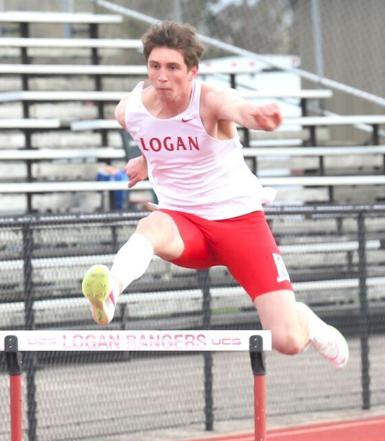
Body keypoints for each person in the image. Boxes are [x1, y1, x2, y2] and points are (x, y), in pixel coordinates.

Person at [79, 21, 349, 367]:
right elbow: (159, 137)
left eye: (173, 68)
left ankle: (306, 321)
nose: (162, 77)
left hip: (239, 225)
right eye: (155, 66)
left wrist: (258, 117)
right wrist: (146, 161)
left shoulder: (210, 101)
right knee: (150, 226)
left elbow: (239, 109)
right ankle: (110, 291)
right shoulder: (129, 111)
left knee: (288, 341)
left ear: (192, 71)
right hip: (185, 225)